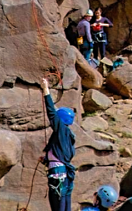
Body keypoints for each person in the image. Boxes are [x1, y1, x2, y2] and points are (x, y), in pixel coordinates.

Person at [40, 78, 76, 211]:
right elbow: (61, 155)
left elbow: (51, 112)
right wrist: (46, 160)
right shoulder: (67, 135)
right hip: (63, 175)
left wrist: (45, 89)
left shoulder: (61, 130)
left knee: (57, 207)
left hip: (57, 176)